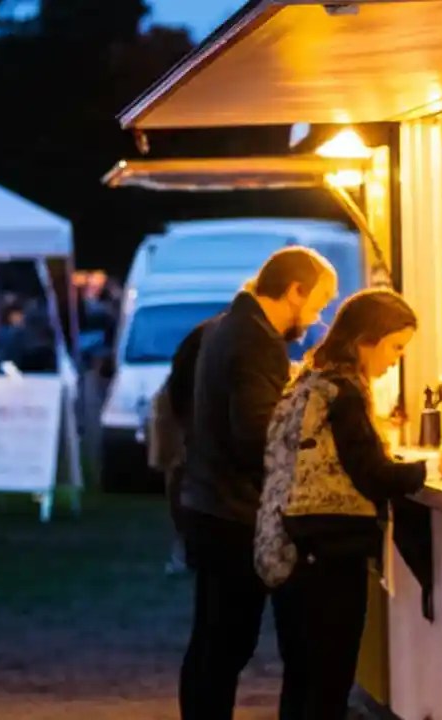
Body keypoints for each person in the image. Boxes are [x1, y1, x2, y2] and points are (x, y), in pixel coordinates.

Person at [179, 247, 338, 720]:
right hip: (234, 514)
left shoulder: (229, 326)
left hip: (210, 504)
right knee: (226, 644)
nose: (317, 316)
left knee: (212, 643)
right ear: (295, 290)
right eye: (318, 303)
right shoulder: (255, 340)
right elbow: (258, 435)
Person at [255, 289, 428, 719]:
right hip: (330, 553)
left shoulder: (310, 382)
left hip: (290, 548)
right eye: (396, 347)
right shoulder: (345, 394)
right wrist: (429, 471)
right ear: (367, 339)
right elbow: (371, 475)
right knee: (328, 684)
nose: (395, 360)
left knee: (301, 679)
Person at [149, 318, 213, 575]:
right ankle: (186, 548)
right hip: (183, 427)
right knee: (180, 484)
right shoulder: (210, 344)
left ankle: (187, 548)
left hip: (188, 426)